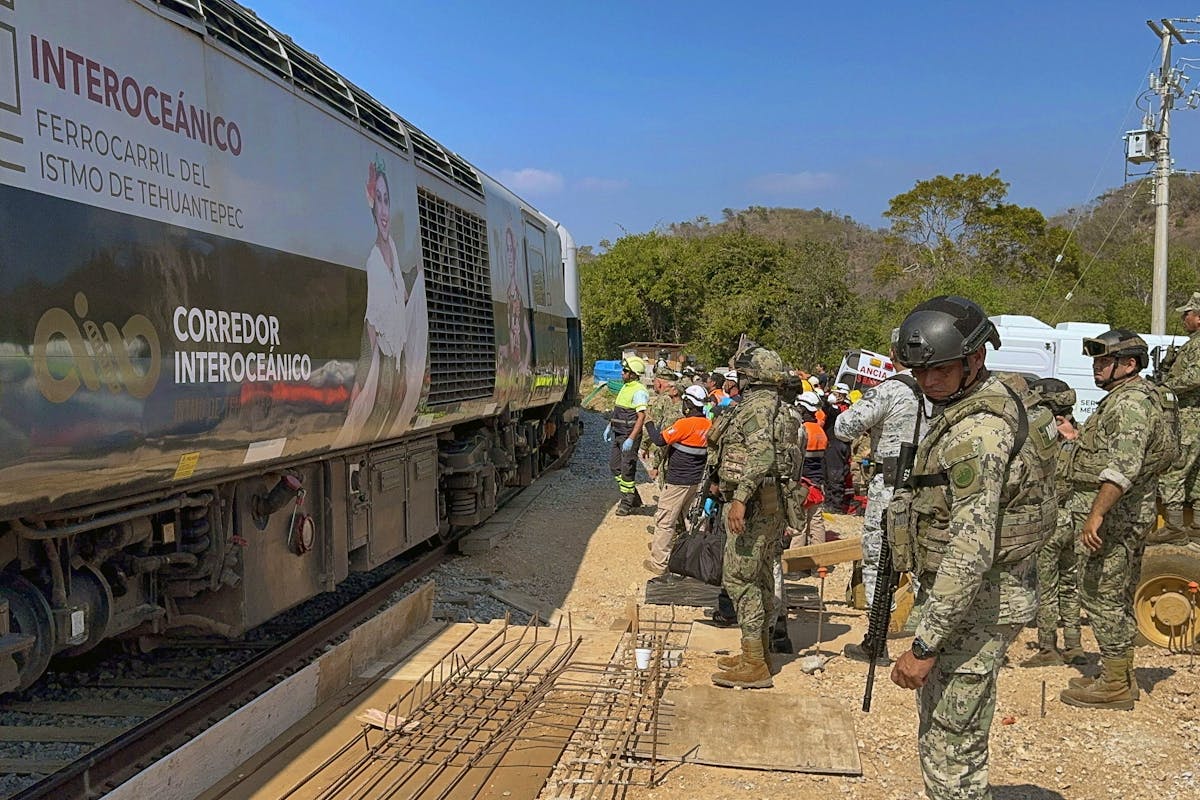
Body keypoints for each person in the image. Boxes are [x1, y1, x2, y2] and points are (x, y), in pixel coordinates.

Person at [887, 296, 1057, 800]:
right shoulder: (983, 401)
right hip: (974, 599)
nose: (927, 382)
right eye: (919, 372)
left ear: (974, 360)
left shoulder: (979, 432)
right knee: (957, 731)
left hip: (976, 604)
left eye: (938, 369)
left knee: (948, 742)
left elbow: (970, 549)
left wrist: (925, 646)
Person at [1059, 330, 1178, 710]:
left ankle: (1114, 684)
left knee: (1100, 594)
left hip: (1115, 516)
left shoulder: (1129, 404)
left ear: (1129, 365)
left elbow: (1123, 466)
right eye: (1096, 361)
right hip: (1123, 514)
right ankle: (1119, 674)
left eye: (1104, 361)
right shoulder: (1129, 399)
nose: (1097, 367)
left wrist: (1096, 513)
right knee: (1117, 593)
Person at [708, 345, 797, 689]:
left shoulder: (756, 408)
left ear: (750, 377)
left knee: (738, 579)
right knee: (760, 578)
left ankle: (754, 662)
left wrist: (740, 499)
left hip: (756, 506)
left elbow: (761, 455)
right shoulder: (783, 410)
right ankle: (756, 652)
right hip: (773, 505)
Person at [835, 331, 925, 661]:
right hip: (928, 486)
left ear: (892, 354)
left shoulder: (890, 390)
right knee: (923, 561)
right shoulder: (938, 391)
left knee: (878, 557)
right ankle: (932, 639)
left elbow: (844, 427)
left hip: (890, 485)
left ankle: (877, 637)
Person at [339, 156, 428, 446]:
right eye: (379, 200)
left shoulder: (392, 249)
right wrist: (360, 384)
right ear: (372, 206)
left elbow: (401, 301)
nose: (385, 209)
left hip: (398, 362)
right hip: (385, 367)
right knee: (377, 416)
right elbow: (371, 328)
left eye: (387, 199)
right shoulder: (374, 262)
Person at [1020, 378, 1086, 667]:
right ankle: (1074, 645)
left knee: (1046, 586)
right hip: (1079, 521)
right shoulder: (1082, 436)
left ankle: (1048, 647)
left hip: (1052, 522)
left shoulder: (1044, 438)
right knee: (1070, 584)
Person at [642, 385, 712, 574]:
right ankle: (697, 562)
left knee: (665, 521)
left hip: (677, 481)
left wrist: (648, 423)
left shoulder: (684, 424)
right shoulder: (709, 425)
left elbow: (659, 440)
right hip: (696, 482)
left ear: (688, 404)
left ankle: (659, 564)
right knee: (695, 521)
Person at [1155, 291, 1200, 543]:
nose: (1184, 318)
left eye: (1187, 314)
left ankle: (1173, 527)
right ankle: (1196, 525)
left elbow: (1195, 376)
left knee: (1175, 469)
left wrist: (1166, 386)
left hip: (1190, 417)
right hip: (1194, 417)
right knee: (1195, 473)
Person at [604, 357, 649, 515]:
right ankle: (634, 497)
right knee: (614, 466)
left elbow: (641, 417)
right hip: (618, 433)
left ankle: (627, 503)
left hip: (629, 435)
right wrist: (610, 426)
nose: (622, 373)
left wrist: (631, 438)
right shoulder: (625, 387)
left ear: (633, 374)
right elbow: (619, 410)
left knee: (627, 469)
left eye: (625, 371)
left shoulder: (639, 391)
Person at [792, 391, 828, 546]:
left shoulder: (802, 430)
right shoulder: (820, 431)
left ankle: (794, 564)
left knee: (799, 523)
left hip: (803, 483)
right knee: (816, 522)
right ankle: (819, 563)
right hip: (817, 483)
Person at [823, 382, 853, 512]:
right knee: (829, 475)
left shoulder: (845, 409)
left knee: (835, 475)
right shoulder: (839, 407)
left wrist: (829, 403)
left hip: (838, 445)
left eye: (836, 393)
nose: (834, 395)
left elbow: (833, 412)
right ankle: (830, 502)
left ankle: (835, 505)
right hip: (834, 444)